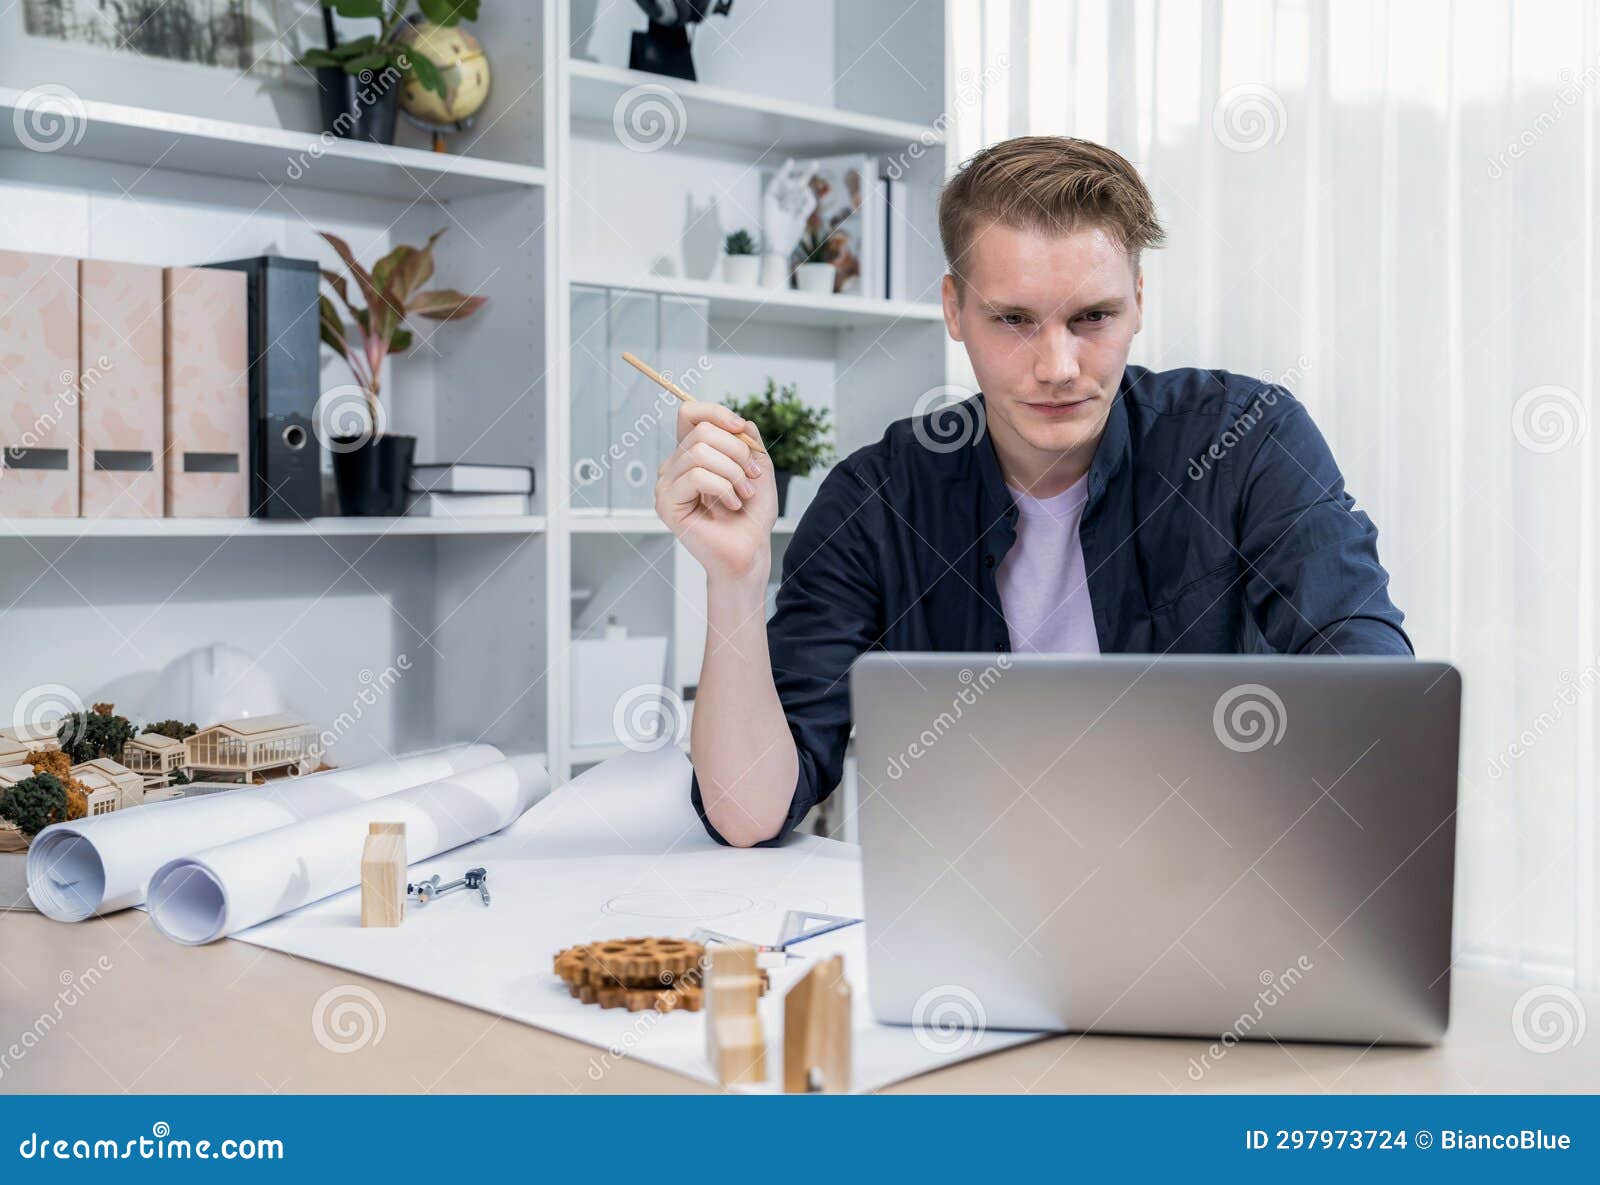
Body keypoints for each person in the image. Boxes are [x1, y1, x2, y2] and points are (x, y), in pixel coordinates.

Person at [653, 135, 1411, 849]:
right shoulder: (879, 498)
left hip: (1208, 897)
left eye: (1093, 318)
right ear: (954, 309)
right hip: (968, 927)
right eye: (1013, 319)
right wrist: (736, 581)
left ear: (1139, 301)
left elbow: (1373, 713)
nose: (1058, 365)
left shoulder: (1247, 440)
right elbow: (748, 813)